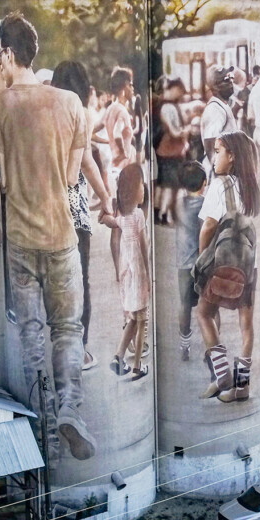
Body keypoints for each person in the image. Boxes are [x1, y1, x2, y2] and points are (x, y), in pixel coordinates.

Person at [0, 12, 96, 459]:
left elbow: (1, 172)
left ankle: (47, 423)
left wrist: (1, 72)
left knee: (31, 331)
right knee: (68, 329)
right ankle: (71, 406)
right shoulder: (72, 104)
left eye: (1, 54)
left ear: (9, 53)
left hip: (20, 237)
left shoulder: (5, 104)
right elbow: (72, 177)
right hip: (61, 235)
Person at [52, 61, 115, 372]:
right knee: (80, 280)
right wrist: (106, 198)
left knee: (52, 281)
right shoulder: (78, 113)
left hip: (43, 208)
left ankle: (57, 348)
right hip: (74, 211)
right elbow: (86, 163)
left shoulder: (43, 112)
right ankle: (80, 350)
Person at [196, 131, 260, 404]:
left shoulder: (219, 186)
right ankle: (242, 386)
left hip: (221, 264)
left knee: (204, 314)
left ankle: (222, 373)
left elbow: (209, 225)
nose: (213, 158)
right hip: (248, 264)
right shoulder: (252, 188)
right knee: (246, 325)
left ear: (232, 156)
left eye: (218, 151)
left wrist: (202, 260)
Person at [101, 163, 151, 381]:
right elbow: (144, 247)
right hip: (138, 272)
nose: (144, 188)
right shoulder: (138, 216)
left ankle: (118, 356)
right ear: (133, 190)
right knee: (142, 321)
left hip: (126, 273)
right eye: (141, 185)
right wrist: (149, 276)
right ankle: (138, 365)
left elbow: (108, 221)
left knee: (133, 317)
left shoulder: (122, 218)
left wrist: (103, 216)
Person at [175, 161, 207, 361]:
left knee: (185, 305)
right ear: (205, 183)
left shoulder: (178, 204)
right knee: (209, 305)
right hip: (204, 264)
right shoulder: (206, 204)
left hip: (183, 265)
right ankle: (211, 349)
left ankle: (184, 346)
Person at [155, 78, 192, 225]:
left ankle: (160, 212)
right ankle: (165, 213)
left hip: (165, 150)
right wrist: (186, 131)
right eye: (180, 92)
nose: (181, 96)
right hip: (171, 150)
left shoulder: (163, 105)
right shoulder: (168, 107)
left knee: (164, 184)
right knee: (170, 186)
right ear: (175, 88)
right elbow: (174, 132)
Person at [200, 65, 239, 172]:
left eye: (231, 78)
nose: (231, 82)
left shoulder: (222, 105)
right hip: (219, 172)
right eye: (226, 80)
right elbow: (210, 145)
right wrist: (220, 175)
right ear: (215, 86)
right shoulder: (214, 109)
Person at [105, 67, 136, 174]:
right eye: (130, 85)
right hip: (124, 164)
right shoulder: (122, 111)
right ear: (124, 87)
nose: (133, 89)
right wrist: (123, 153)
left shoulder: (110, 109)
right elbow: (117, 134)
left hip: (112, 161)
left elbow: (94, 130)